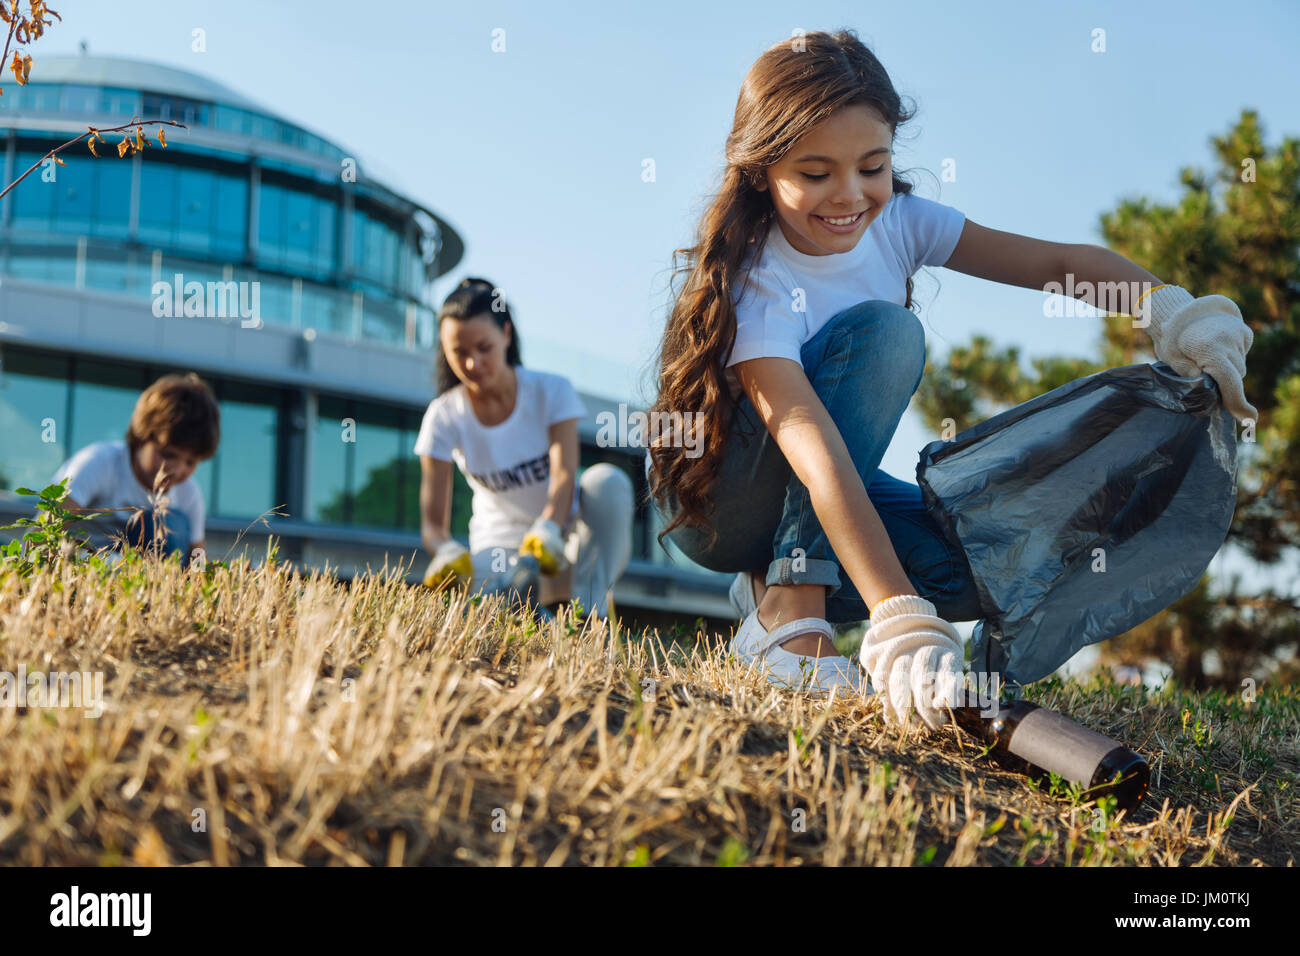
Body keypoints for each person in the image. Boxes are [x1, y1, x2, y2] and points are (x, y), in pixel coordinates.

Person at [645, 30, 1257, 726]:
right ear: (760, 170)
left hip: (813, 488)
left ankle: (769, 588)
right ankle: (790, 608)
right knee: (886, 336)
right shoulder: (759, 278)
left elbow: (1051, 264)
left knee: (978, 568)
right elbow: (817, 459)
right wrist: (895, 612)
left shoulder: (900, 224)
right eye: (815, 173)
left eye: (872, 166)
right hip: (716, 501)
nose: (848, 196)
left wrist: (1172, 312)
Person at [415, 277, 635, 622]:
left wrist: (547, 528)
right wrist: (444, 549)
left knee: (607, 482)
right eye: (459, 352)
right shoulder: (443, 416)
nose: (472, 364)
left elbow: (564, 476)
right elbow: (432, 525)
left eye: (483, 348)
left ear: (506, 334)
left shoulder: (551, 391)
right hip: (499, 549)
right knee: (491, 613)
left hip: (566, 542)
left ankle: (590, 618)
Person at [51, 372, 220, 564]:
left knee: (165, 523)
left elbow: (198, 560)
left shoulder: (188, 495)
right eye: (168, 455)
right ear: (141, 438)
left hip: (144, 583)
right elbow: (42, 534)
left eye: (190, 462)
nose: (177, 469)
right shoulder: (98, 464)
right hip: (81, 568)